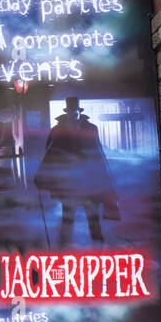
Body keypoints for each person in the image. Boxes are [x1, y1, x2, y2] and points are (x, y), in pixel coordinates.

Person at [34, 96, 120, 246]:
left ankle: (98, 246)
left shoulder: (91, 128)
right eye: (70, 111)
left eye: (75, 111)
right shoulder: (57, 130)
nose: (73, 114)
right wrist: (42, 176)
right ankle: (64, 247)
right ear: (67, 112)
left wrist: (104, 180)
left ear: (79, 112)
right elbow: (50, 154)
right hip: (68, 183)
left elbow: (97, 154)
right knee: (68, 217)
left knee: (92, 217)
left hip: (89, 182)